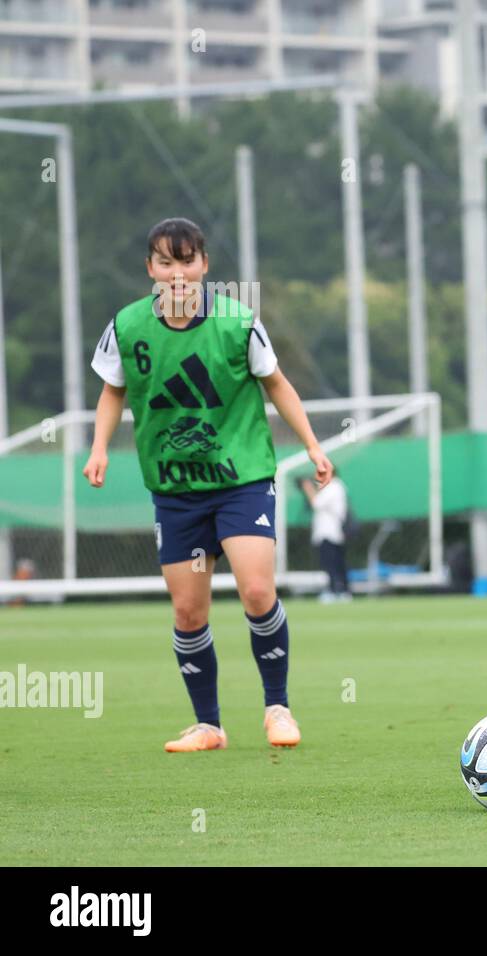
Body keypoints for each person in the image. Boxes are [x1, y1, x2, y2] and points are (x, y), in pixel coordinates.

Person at [85, 217, 333, 752]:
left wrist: (312, 444)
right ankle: (209, 726)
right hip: (176, 492)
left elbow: (277, 384)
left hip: (240, 480)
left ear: (204, 264)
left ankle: (277, 708)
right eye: (165, 262)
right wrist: (99, 447)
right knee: (188, 611)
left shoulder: (237, 322)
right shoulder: (127, 328)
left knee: (257, 589)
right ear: (150, 268)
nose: (177, 273)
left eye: (187, 261)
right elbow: (112, 392)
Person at [300, 472, 351, 602]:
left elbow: (316, 503)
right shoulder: (335, 487)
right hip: (329, 532)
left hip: (330, 532)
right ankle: (340, 590)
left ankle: (337, 590)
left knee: (332, 563)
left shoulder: (334, 486)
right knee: (335, 562)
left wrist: (308, 488)